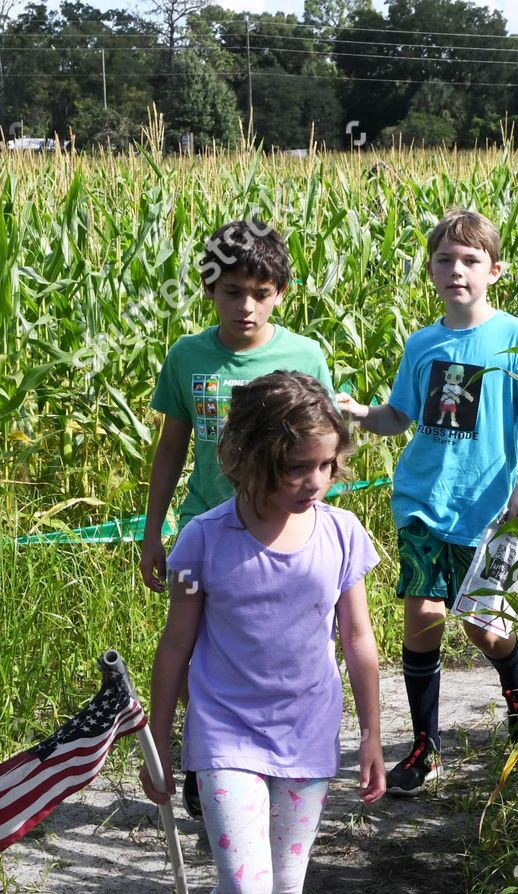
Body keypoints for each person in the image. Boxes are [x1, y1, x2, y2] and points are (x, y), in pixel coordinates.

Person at [139, 371, 384, 894]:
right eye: (296, 467)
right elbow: (176, 644)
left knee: (288, 887)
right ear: (250, 456)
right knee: (248, 884)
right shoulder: (202, 540)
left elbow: (359, 638)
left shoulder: (341, 535)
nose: (315, 481)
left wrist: (370, 732)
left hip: (308, 735)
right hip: (224, 732)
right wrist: (160, 737)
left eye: (327, 466)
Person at [336, 208, 518, 797]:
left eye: (470, 260)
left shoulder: (515, 339)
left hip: (489, 512)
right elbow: (399, 415)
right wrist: (361, 414)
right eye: (444, 260)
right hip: (423, 502)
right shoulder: (423, 343)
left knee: (484, 631)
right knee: (425, 616)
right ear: (430, 269)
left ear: (495, 270)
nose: (456, 270)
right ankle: (425, 749)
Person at [140, 220, 334, 819]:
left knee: (276, 647)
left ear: (280, 292)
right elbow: (171, 447)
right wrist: (154, 530)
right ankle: (207, 763)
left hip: (282, 533)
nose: (245, 306)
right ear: (208, 291)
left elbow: (323, 445)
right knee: (194, 644)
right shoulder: (189, 357)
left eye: (260, 292)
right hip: (204, 531)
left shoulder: (305, 355)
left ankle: (277, 761)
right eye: (231, 292)